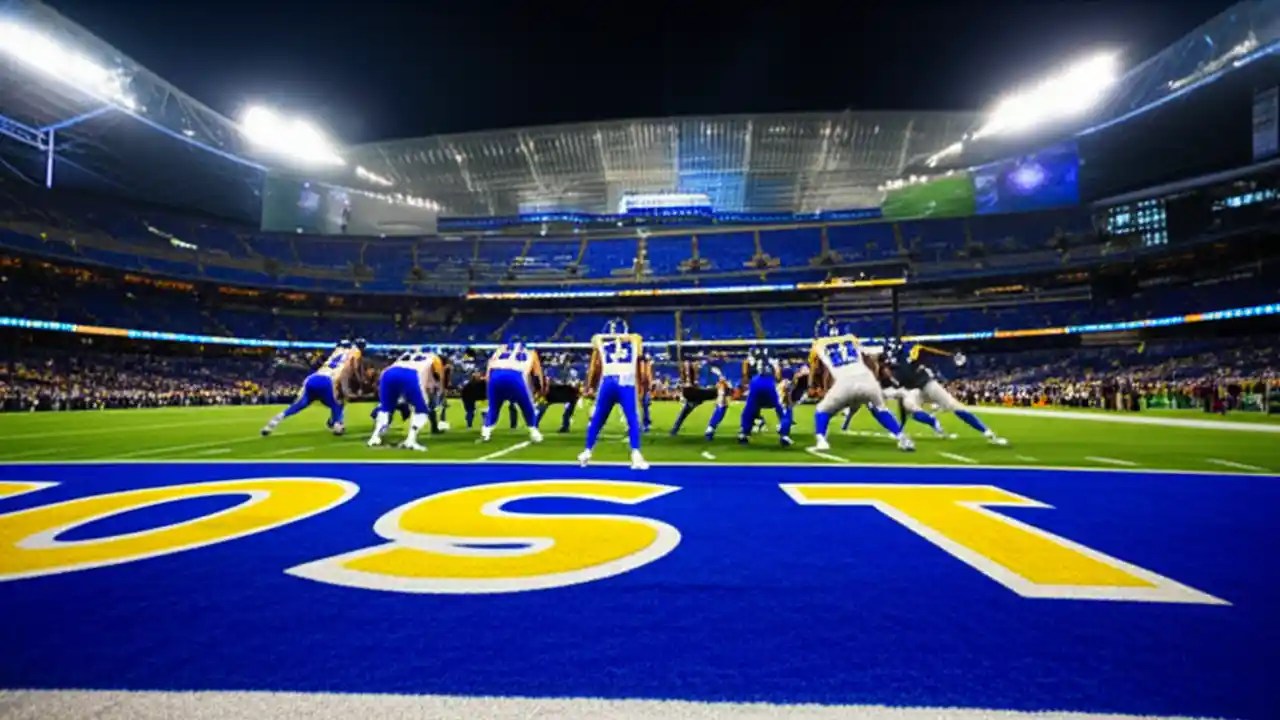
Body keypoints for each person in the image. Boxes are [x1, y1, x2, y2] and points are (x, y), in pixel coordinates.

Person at [809, 320, 913, 452]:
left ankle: (821, 441)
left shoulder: (818, 344)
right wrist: (874, 378)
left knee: (822, 410)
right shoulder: (851, 339)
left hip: (844, 382)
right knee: (880, 409)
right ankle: (902, 437)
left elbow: (816, 369)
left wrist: (814, 385)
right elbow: (869, 359)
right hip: (866, 378)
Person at [883, 339, 1007, 445]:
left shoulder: (909, 350)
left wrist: (949, 354)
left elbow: (926, 348)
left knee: (953, 405)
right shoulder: (890, 368)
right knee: (909, 407)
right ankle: (933, 422)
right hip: (912, 390)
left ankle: (987, 432)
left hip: (927, 384)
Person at [578, 318, 648, 470]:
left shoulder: (603, 342)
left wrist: (609, 338)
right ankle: (635, 454)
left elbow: (594, 339)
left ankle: (587, 451)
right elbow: (638, 340)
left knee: (598, 419)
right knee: (632, 419)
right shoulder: (634, 341)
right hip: (626, 384)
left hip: (608, 382)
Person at [261, 338, 364, 437]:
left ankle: (275, 421)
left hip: (313, 378)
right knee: (339, 402)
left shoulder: (335, 352)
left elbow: (316, 363)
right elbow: (353, 370)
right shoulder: (355, 353)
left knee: (299, 404)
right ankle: (337, 423)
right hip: (329, 381)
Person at [367, 346, 441, 451]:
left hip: (388, 373)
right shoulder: (433, 358)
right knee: (422, 411)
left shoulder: (406, 355)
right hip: (411, 375)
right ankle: (411, 440)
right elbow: (433, 382)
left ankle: (374, 437)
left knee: (385, 408)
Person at [480, 340, 545, 443]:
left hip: (495, 375)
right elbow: (537, 374)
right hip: (515, 376)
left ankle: (486, 431)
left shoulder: (501, 348)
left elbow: (489, 369)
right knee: (527, 406)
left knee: (494, 406)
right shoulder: (531, 352)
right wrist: (541, 389)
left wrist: (489, 387)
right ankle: (534, 431)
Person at [738, 346, 793, 446]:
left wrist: (746, 379)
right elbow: (777, 372)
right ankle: (784, 435)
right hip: (769, 382)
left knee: (749, 409)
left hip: (755, 382)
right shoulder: (772, 351)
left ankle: (744, 433)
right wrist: (779, 381)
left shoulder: (753, 350)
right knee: (784, 408)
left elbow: (745, 364)